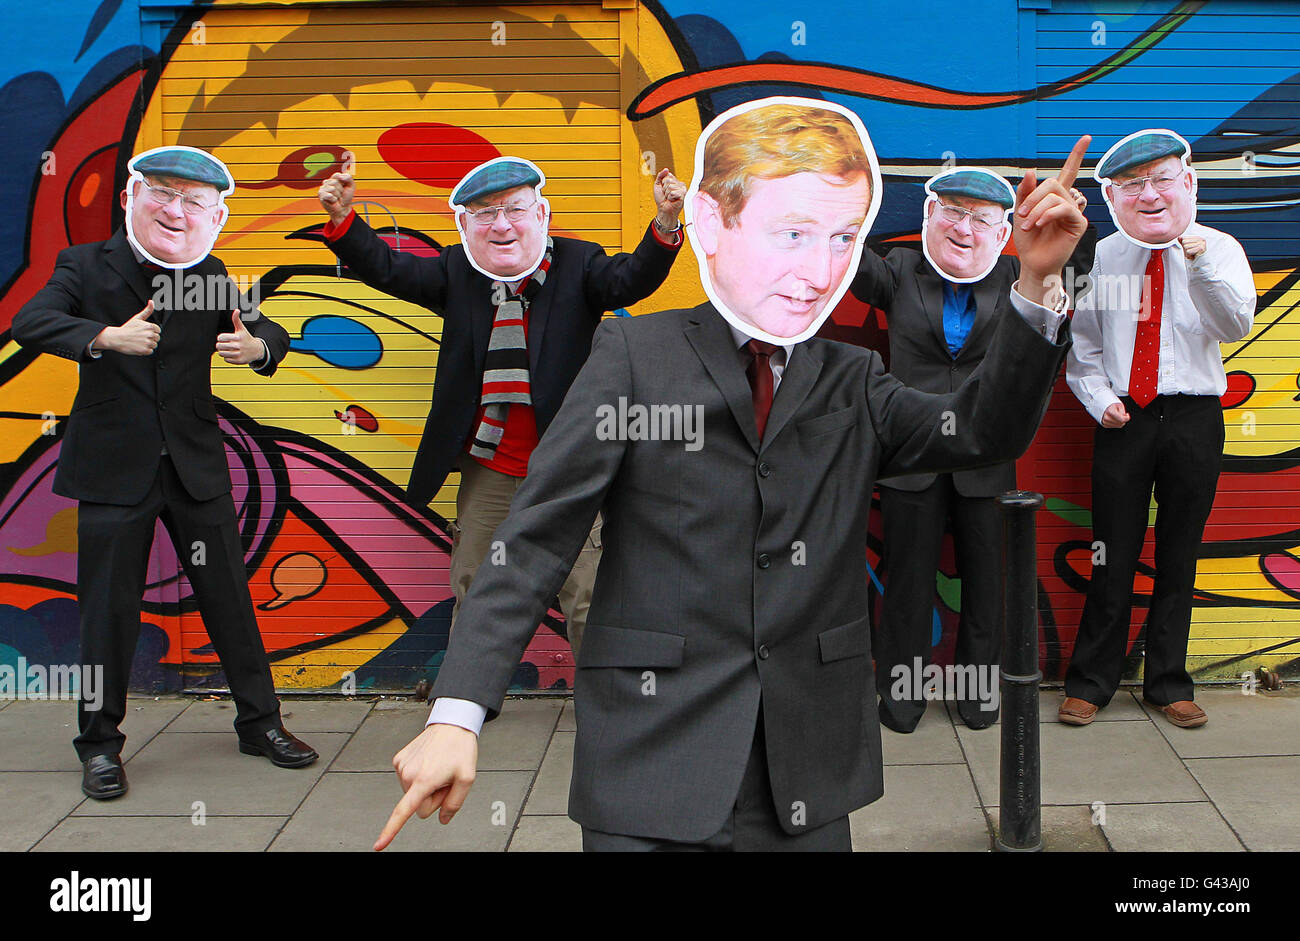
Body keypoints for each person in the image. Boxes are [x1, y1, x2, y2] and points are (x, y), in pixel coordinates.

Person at [375, 101, 1089, 852]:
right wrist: (457, 713)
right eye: (792, 234)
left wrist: (1036, 281)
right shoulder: (634, 358)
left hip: (807, 769)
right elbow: (533, 539)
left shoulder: (854, 379)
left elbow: (980, 429)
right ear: (714, 226)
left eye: (842, 238)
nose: (821, 270)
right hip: (650, 764)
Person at [12, 146, 316, 800]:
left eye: (193, 201)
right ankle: (99, 745)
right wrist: (104, 338)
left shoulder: (208, 273)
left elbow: (269, 331)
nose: (176, 210)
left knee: (230, 601)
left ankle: (260, 723)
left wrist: (258, 347)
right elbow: (29, 321)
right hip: (112, 469)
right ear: (132, 198)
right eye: (163, 193)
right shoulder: (85, 264)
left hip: (194, 466)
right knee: (107, 613)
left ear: (212, 215)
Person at [317, 155, 685, 656]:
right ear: (468, 225)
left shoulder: (579, 263)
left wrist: (665, 220)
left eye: (514, 209)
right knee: (476, 588)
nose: (502, 224)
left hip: (567, 467)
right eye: (486, 213)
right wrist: (344, 220)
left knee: (587, 598)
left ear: (541, 214)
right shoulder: (458, 270)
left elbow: (631, 279)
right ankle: (465, 695)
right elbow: (390, 270)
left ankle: (604, 696)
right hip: (490, 467)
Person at [851, 168, 1095, 733]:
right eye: (953, 212)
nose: (964, 227)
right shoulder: (900, 269)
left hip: (985, 461)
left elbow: (1075, 285)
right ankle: (901, 700)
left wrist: (1068, 229)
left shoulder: (1015, 273)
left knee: (988, 587)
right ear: (930, 215)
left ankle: (979, 697)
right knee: (907, 587)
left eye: (980, 217)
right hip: (913, 460)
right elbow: (847, 259)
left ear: (1002, 229)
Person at [1061, 130, 1255, 729]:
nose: (1149, 194)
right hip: (1127, 418)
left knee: (1179, 551)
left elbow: (1234, 325)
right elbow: (1084, 345)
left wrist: (1199, 265)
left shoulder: (1220, 248)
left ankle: (1168, 682)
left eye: (1161, 179)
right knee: (1111, 551)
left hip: (1194, 417)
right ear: (1113, 198)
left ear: (1188, 183)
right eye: (1131, 184)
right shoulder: (1102, 257)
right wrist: (1100, 401)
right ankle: (1091, 682)